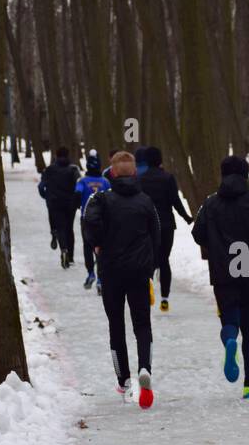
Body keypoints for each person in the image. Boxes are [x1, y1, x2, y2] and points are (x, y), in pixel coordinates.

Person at [191, 155, 249, 400]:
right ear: (245, 176)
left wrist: (214, 242)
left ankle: (230, 338)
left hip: (222, 270)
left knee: (229, 320)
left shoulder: (210, 203)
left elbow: (197, 234)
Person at [81, 150, 160, 408]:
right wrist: (151, 263)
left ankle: (123, 378)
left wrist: (97, 245)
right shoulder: (146, 201)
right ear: (135, 172)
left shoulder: (101, 199)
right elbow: (156, 234)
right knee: (142, 324)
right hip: (138, 271)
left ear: (112, 173)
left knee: (116, 324)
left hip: (111, 271)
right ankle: (145, 368)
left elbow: (88, 223)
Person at [137, 145, 193, 312]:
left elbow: (138, 201)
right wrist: (186, 217)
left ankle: (147, 290)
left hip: (147, 225)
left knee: (149, 259)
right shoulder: (168, 178)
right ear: (160, 159)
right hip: (167, 225)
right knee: (164, 260)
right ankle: (165, 298)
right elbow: (175, 200)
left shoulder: (141, 179)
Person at [37, 147, 80, 268]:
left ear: (56, 155)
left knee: (60, 227)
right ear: (68, 155)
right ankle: (70, 256)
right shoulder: (73, 169)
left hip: (55, 203)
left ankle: (63, 249)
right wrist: (76, 200)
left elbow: (41, 186)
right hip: (69, 203)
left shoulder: (49, 170)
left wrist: (46, 196)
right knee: (69, 228)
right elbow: (79, 185)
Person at [75, 150, 110, 291]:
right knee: (102, 248)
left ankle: (90, 273)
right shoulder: (105, 182)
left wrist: (79, 205)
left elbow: (77, 194)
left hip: (87, 219)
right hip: (103, 220)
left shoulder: (82, 181)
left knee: (87, 247)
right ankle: (101, 279)